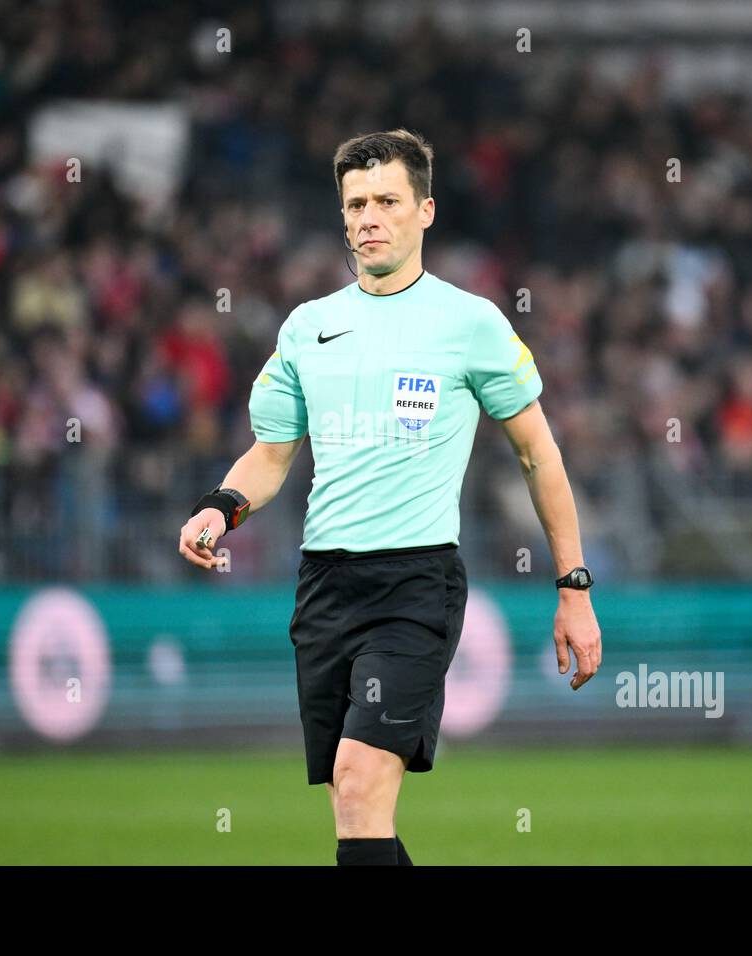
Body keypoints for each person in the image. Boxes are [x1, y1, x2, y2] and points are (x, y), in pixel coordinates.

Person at [177, 129, 602, 865]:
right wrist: (221, 506)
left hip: (415, 583)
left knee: (361, 777)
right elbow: (273, 455)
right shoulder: (308, 328)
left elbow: (538, 453)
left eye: (386, 201)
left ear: (425, 211)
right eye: (356, 203)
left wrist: (573, 585)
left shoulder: (470, 324)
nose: (369, 216)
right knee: (353, 806)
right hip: (323, 586)